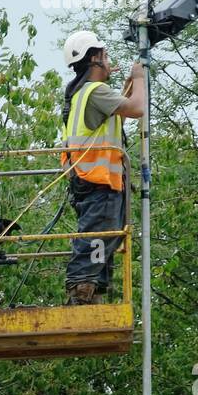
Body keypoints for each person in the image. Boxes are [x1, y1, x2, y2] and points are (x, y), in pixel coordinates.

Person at [60, 30, 145, 305]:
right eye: (105, 56)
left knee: (104, 233)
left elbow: (119, 111)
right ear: (94, 58)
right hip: (99, 182)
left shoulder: (84, 94)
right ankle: (82, 292)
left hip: (90, 181)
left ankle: (91, 290)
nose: (109, 61)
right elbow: (137, 109)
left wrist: (129, 85)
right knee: (99, 234)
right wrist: (141, 78)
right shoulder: (95, 92)